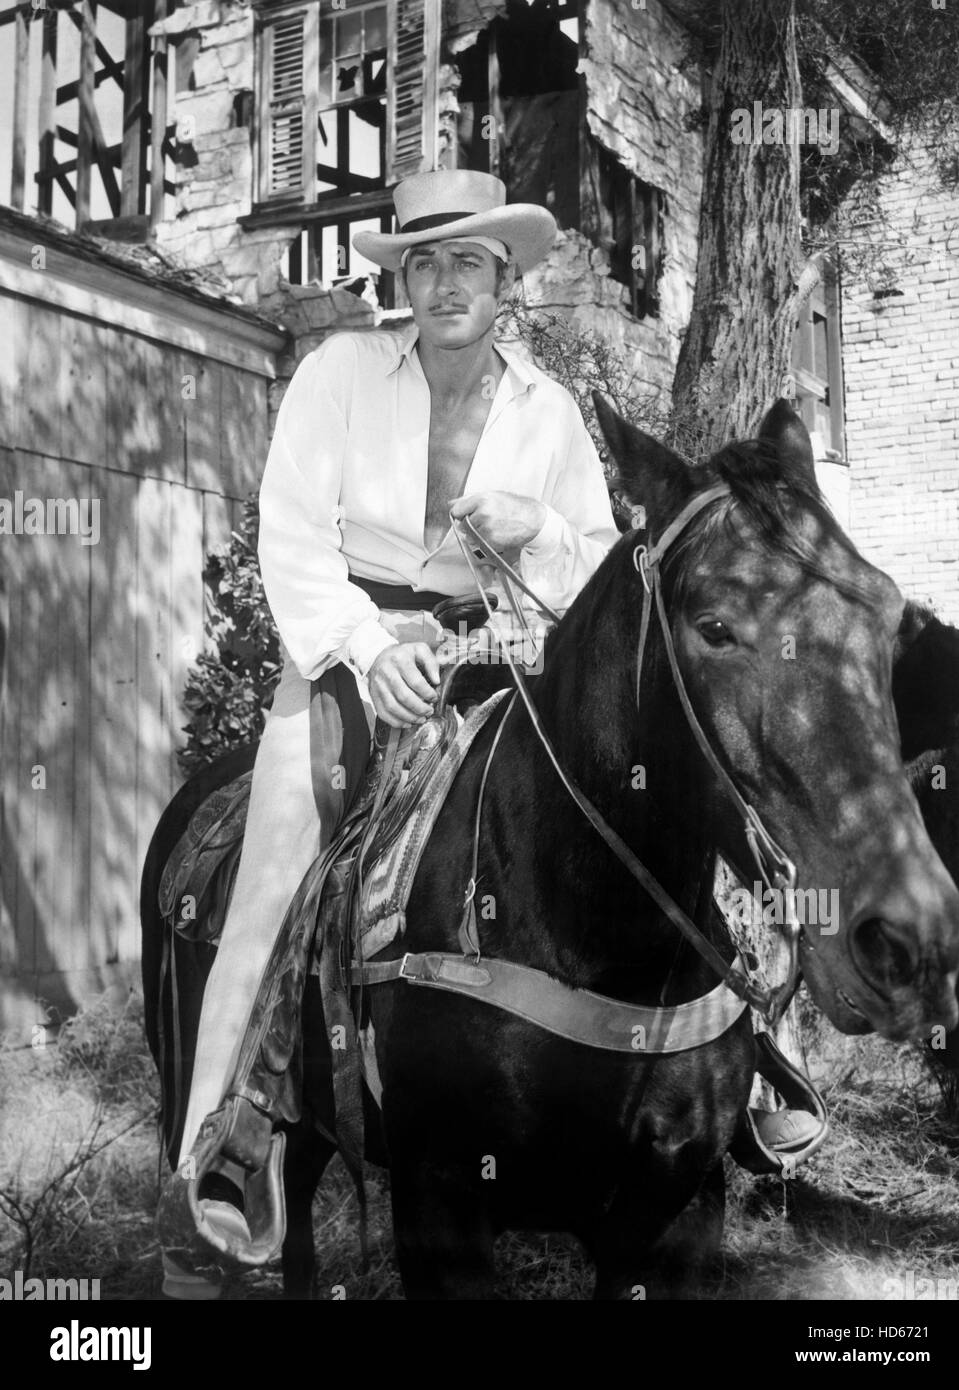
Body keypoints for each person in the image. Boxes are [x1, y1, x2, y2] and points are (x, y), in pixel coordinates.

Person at [159, 170, 621, 1296]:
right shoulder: (336, 374)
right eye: (424, 261)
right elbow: (291, 534)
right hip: (347, 658)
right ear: (399, 278)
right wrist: (371, 650)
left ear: (502, 277)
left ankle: (734, 1075)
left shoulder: (547, 413)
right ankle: (229, 1150)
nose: (445, 280)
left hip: (505, 662)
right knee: (273, 871)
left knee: (632, 811)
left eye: (468, 260)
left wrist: (537, 530)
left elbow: (601, 567)